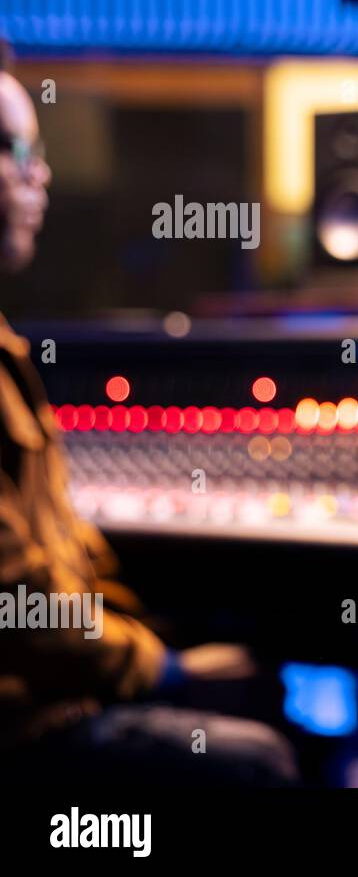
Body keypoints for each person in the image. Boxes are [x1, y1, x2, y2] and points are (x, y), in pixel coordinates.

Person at [0, 44, 297, 785]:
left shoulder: (5, 346)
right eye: (17, 152)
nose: (43, 176)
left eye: (39, 152)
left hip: (55, 688)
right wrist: (162, 669)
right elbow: (14, 606)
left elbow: (63, 555)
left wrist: (154, 638)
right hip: (25, 727)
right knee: (259, 762)